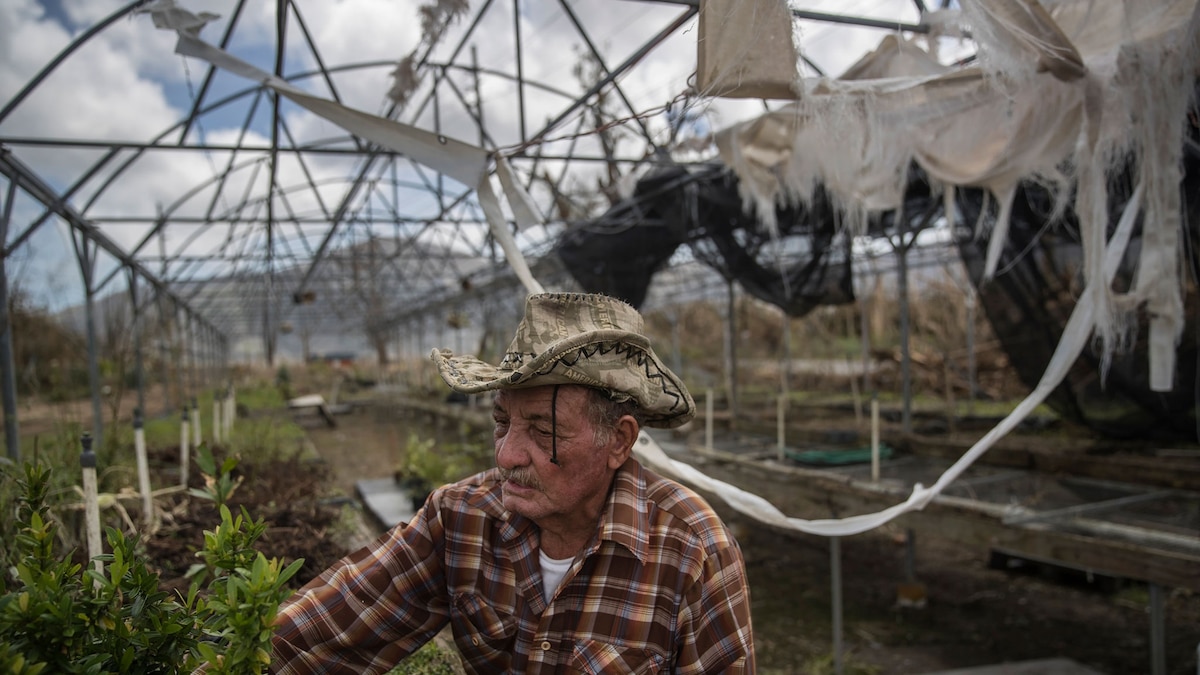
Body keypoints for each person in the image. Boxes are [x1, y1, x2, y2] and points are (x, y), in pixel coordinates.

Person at [269, 292, 755, 674]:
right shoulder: (461, 519)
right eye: (502, 422)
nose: (505, 455)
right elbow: (316, 635)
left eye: (544, 431)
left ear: (619, 441)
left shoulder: (691, 550)